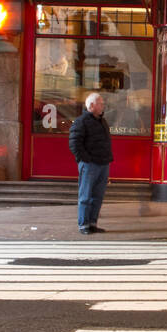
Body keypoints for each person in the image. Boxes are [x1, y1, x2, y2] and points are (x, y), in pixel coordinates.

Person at [69, 92, 113, 235]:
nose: (103, 106)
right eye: (100, 103)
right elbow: (74, 143)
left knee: (98, 196)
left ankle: (92, 223)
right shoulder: (82, 121)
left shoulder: (102, 121)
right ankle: (83, 224)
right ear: (92, 105)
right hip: (90, 164)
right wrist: (85, 159)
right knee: (86, 195)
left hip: (103, 163)